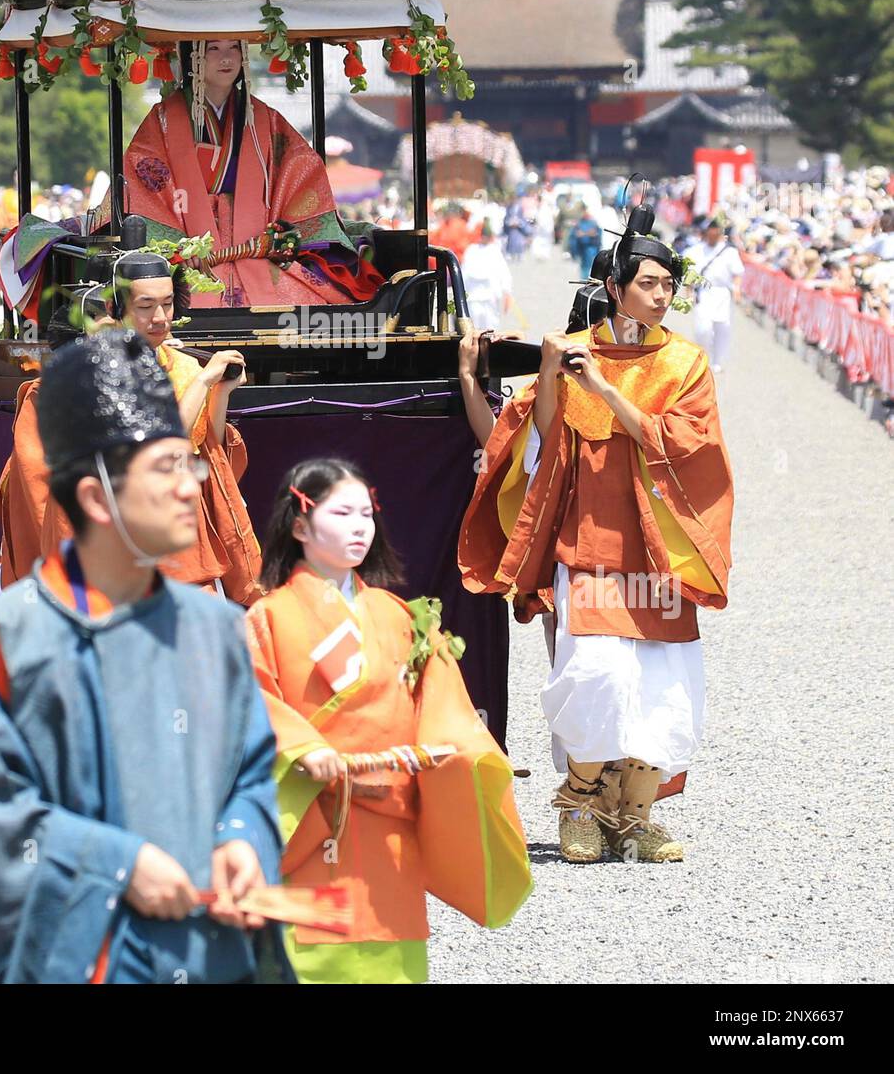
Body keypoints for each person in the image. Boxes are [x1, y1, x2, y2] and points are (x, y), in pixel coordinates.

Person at [0, 330, 286, 984]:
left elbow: (249, 777)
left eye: (192, 465)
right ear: (98, 499)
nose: (191, 486)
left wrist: (244, 836)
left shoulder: (215, 631)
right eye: (167, 469)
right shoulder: (13, 641)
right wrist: (113, 862)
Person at [458, 209, 734, 865]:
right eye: (650, 283)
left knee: (665, 688)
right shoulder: (579, 347)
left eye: (670, 284)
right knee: (596, 676)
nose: (662, 295)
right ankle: (580, 806)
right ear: (616, 288)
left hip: (659, 550)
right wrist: (552, 372)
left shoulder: (686, 362)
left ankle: (634, 819)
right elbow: (545, 441)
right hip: (589, 544)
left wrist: (603, 389)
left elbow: (676, 443)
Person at [245, 458, 532, 984]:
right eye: (343, 513)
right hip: (310, 815)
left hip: (388, 822)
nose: (360, 526)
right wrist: (306, 750)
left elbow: (445, 708)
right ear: (300, 525)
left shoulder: (398, 615)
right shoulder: (267, 617)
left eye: (366, 514)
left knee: (391, 960)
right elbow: (248, 699)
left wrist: (460, 755)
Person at [0, 251, 261, 605]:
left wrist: (219, 392)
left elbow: (207, 450)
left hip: (183, 542)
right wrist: (204, 382)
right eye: (145, 306)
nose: (160, 317)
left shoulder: (180, 364)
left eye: (167, 304)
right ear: (117, 309)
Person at [86, 39, 382, 307]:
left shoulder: (264, 118)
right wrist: (181, 249)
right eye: (213, 49)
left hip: (255, 251)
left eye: (235, 49)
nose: (226, 58)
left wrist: (279, 231)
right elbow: (142, 182)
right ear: (192, 58)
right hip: (190, 254)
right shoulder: (162, 119)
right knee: (172, 297)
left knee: (311, 300)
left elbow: (300, 168)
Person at [685, 217, 745, 374]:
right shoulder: (696, 250)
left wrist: (737, 290)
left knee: (722, 327)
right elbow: (690, 274)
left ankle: (717, 361)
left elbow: (738, 273)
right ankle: (704, 356)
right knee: (703, 328)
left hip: (722, 293)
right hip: (703, 293)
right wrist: (689, 293)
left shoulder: (729, 252)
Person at [461, 220, 514, 331]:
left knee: (491, 328)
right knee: (473, 329)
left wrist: (507, 292)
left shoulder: (494, 251)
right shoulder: (471, 250)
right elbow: (464, 274)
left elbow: (504, 273)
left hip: (490, 297)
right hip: (473, 296)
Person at [567, 207, 603, 280]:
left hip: (591, 247)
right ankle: (585, 278)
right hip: (582, 248)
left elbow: (596, 233)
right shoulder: (579, 223)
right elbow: (574, 235)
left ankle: (589, 278)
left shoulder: (594, 222)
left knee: (590, 264)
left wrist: (585, 234)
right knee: (584, 265)